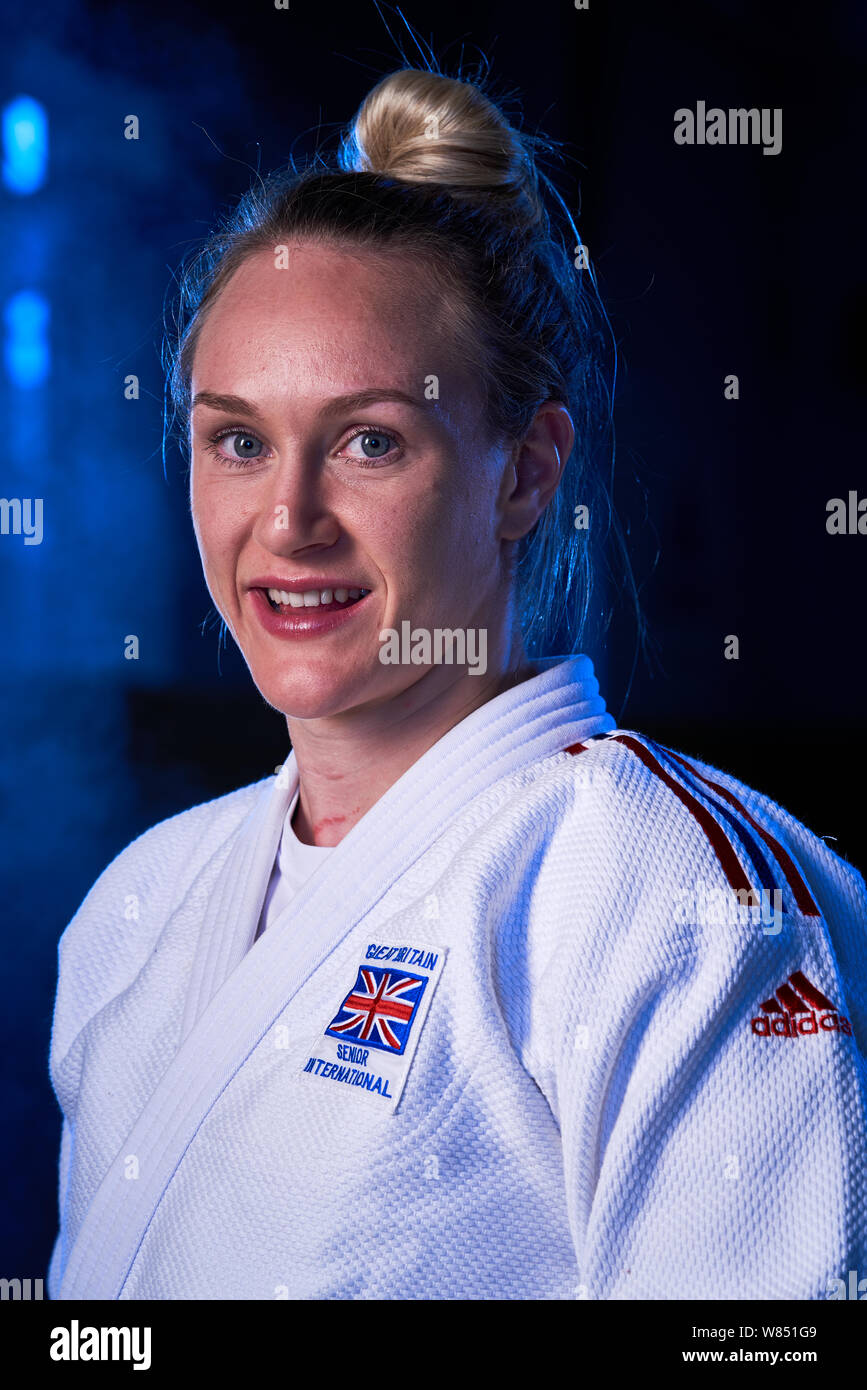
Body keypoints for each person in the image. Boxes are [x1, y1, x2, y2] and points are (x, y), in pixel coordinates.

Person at [48, 66, 866, 1301]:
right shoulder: (137, 906)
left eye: (372, 438)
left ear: (525, 471)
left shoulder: (674, 897)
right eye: (239, 440)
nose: (289, 520)